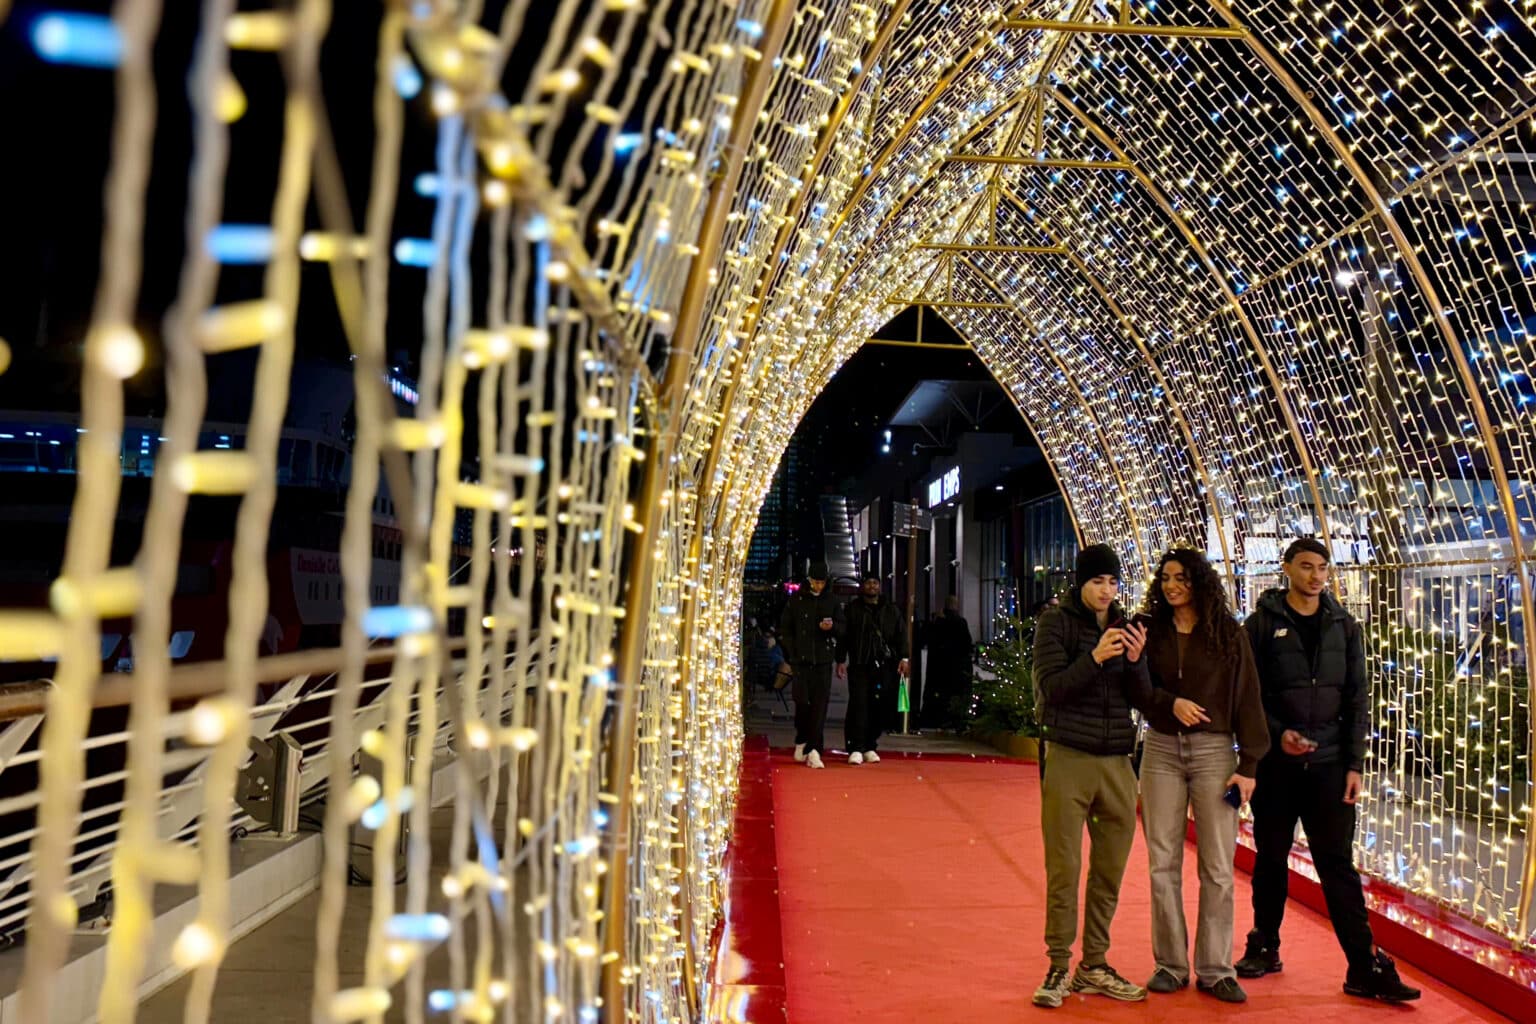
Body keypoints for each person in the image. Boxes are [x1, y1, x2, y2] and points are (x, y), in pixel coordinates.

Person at [1235, 538, 1420, 1002]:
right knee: (1271, 859)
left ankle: (1363, 966)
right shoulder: (1259, 626)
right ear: (1287, 569)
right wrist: (1277, 736)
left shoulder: (1345, 626)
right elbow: (1248, 696)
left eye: (1322, 568)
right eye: (1306, 567)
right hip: (1277, 768)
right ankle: (1264, 945)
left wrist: (1356, 764)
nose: (1316, 576)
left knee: (1337, 866)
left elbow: (1358, 698)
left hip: (1331, 767)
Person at [1127, 548, 1269, 1003]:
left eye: (1182, 578)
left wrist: (1249, 766)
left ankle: (1215, 968)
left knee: (1218, 866)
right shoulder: (1147, 630)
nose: (1172, 586)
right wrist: (1170, 703)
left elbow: (1249, 699)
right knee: (1162, 861)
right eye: (1166, 578)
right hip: (1161, 750)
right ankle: (1169, 964)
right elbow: (1137, 689)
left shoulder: (1229, 634)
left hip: (1214, 753)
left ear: (1200, 582)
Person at [1030, 543, 1148, 1009]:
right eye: (1098, 581)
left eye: (1113, 582)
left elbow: (1141, 698)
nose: (1106, 590)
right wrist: (1095, 657)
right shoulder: (1054, 624)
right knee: (1064, 868)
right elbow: (1051, 690)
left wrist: (1137, 662)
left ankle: (1094, 965)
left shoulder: (1127, 628)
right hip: (1068, 759)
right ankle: (1058, 964)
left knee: (1110, 871)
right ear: (1081, 582)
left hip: (1118, 762)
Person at [835, 574, 910, 764]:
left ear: (880, 586)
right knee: (858, 705)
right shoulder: (853, 610)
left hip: (884, 666)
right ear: (862, 587)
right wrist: (841, 659)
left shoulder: (891, 610)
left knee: (879, 706)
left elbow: (901, 635)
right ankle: (856, 747)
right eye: (868, 583)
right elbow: (844, 636)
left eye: (875, 583)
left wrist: (904, 657)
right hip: (860, 664)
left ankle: (870, 745)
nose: (872, 586)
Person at [777, 561, 845, 769]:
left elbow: (843, 629)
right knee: (802, 703)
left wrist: (832, 627)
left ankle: (815, 749)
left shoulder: (832, 601)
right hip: (801, 662)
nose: (818, 586)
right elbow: (786, 628)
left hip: (823, 661)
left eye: (822, 582)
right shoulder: (797, 600)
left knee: (819, 706)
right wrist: (792, 653)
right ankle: (802, 739)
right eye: (815, 582)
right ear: (809, 580)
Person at [920, 595, 973, 729]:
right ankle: (954, 720)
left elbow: (928, 639)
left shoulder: (937, 622)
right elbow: (967, 645)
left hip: (938, 668)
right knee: (954, 696)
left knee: (939, 697)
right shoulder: (960, 622)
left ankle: (935, 720)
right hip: (956, 668)